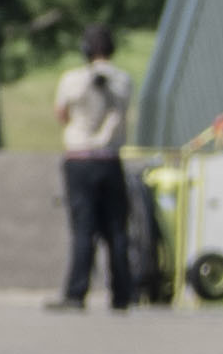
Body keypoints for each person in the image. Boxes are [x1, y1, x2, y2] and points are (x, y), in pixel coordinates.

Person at [47, 26, 154, 312]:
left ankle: (76, 292)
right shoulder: (123, 80)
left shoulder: (72, 80)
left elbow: (62, 114)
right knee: (117, 230)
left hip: (80, 158)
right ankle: (122, 292)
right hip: (110, 159)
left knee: (83, 229)